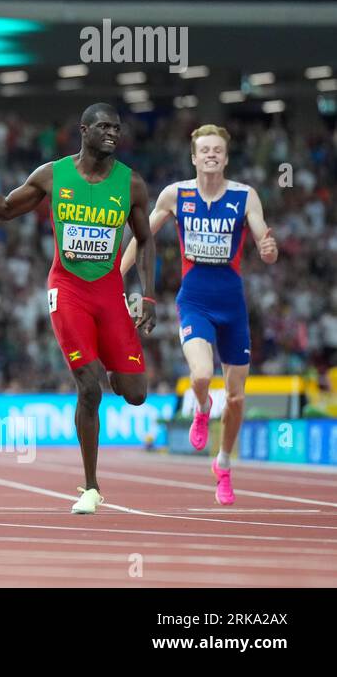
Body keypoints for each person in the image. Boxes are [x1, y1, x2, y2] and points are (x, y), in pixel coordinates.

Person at [0, 103, 156, 514]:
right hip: (67, 289)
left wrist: (149, 293)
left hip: (108, 292)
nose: (112, 133)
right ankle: (91, 487)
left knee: (136, 394)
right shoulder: (52, 175)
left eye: (117, 128)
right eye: (104, 127)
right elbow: (2, 208)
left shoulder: (133, 185)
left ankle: (110, 360)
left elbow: (145, 240)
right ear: (84, 130)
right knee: (89, 387)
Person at [120, 124, 278, 504]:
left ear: (225, 157)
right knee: (202, 374)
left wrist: (269, 249)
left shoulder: (245, 196)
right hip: (194, 301)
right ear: (194, 156)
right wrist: (115, 276)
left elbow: (263, 239)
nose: (211, 155)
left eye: (217, 150)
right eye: (204, 149)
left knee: (238, 397)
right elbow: (143, 236)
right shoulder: (176, 195)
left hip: (233, 306)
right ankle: (203, 407)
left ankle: (223, 464)